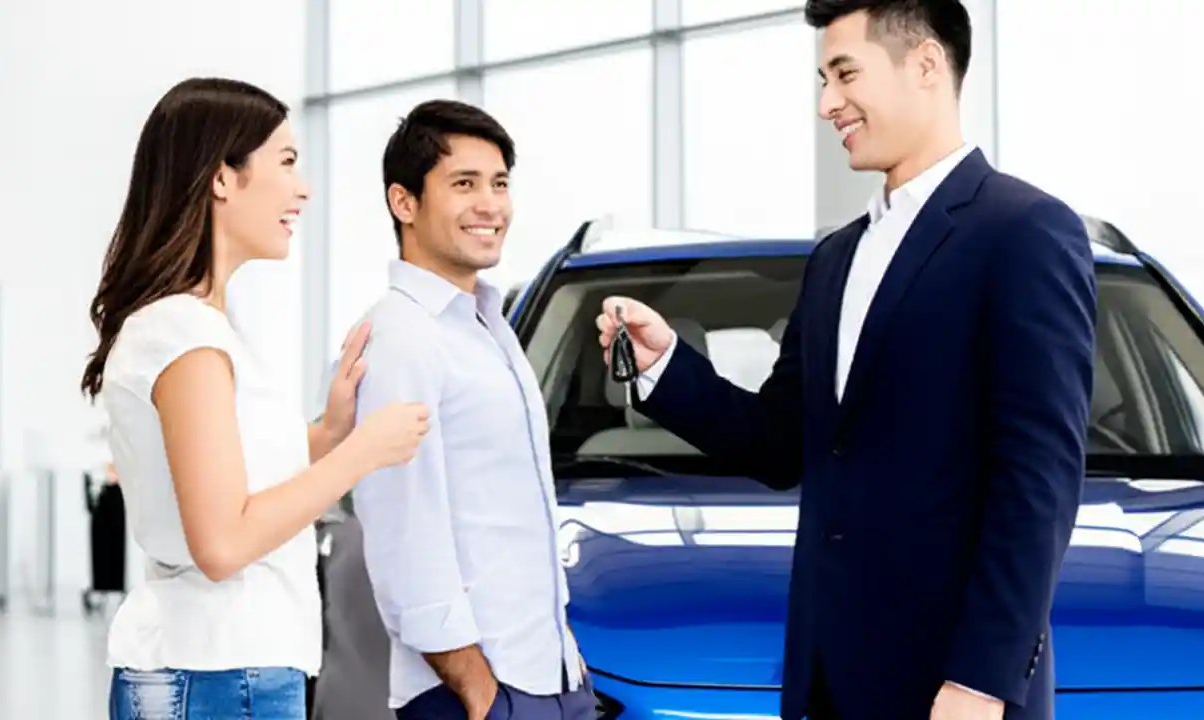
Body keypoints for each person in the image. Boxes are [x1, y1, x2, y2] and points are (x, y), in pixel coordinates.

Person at [595, 1, 1097, 718]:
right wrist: (666, 364)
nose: (827, 103)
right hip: (827, 680)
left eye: (843, 74)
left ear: (924, 64)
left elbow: (1039, 477)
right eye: (822, 79)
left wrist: (983, 679)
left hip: (950, 689)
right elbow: (782, 444)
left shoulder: (1023, 230)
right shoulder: (835, 256)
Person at [80, 77, 431, 720]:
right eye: (288, 162)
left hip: (216, 667)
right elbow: (221, 541)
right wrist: (361, 456)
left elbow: (226, 475)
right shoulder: (184, 335)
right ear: (222, 178)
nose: (303, 189)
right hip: (217, 673)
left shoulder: (196, 325)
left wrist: (328, 432)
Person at [351, 99, 595, 720]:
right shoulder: (403, 338)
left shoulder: (488, 324)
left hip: (544, 673)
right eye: (464, 184)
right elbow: (404, 530)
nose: (491, 205)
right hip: (475, 690)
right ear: (404, 203)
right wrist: (476, 688)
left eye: (500, 183)